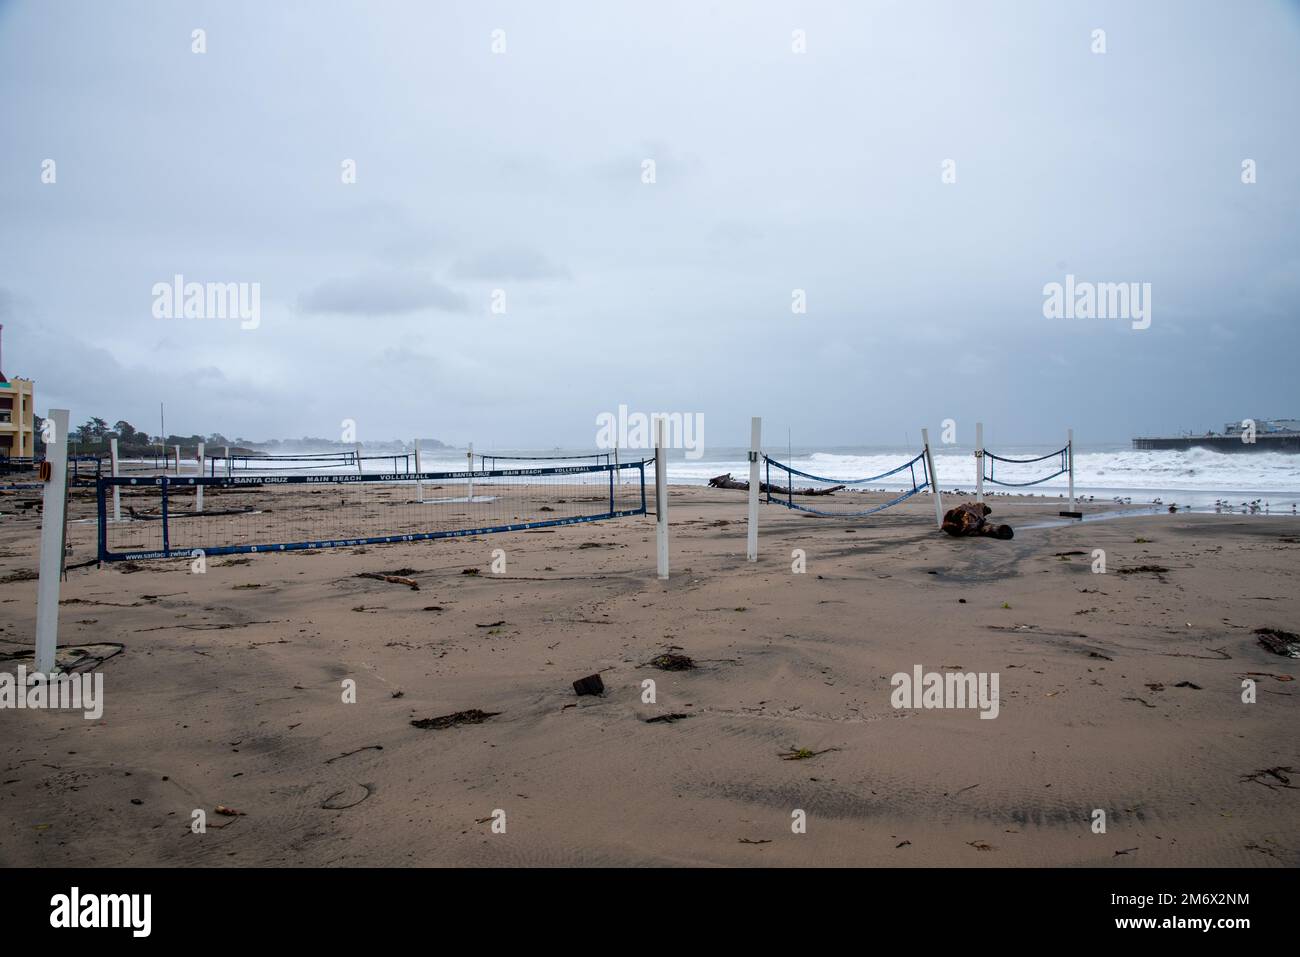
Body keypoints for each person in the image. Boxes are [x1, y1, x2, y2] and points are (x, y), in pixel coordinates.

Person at [941, 501, 1013, 539]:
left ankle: (955, 523)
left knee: (963, 522)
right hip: (960, 521)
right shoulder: (979, 522)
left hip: (960, 522)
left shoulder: (976, 527)